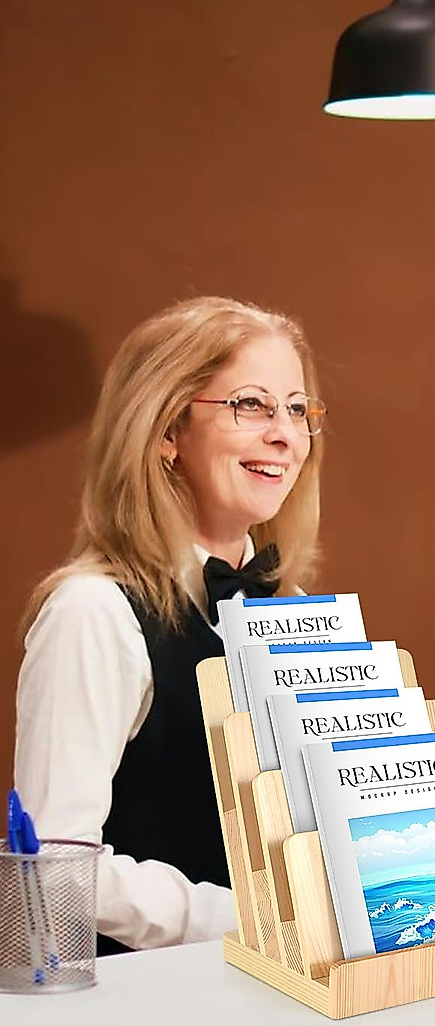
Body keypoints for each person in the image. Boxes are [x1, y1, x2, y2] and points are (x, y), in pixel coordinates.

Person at [13, 296, 327, 955]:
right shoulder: (92, 612)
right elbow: (55, 867)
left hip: (295, 995)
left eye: (297, 410)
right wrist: (242, 922)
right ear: (166, 431)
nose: (285, 435)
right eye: (251, 405)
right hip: (153, 1003)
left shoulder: (294, 609)